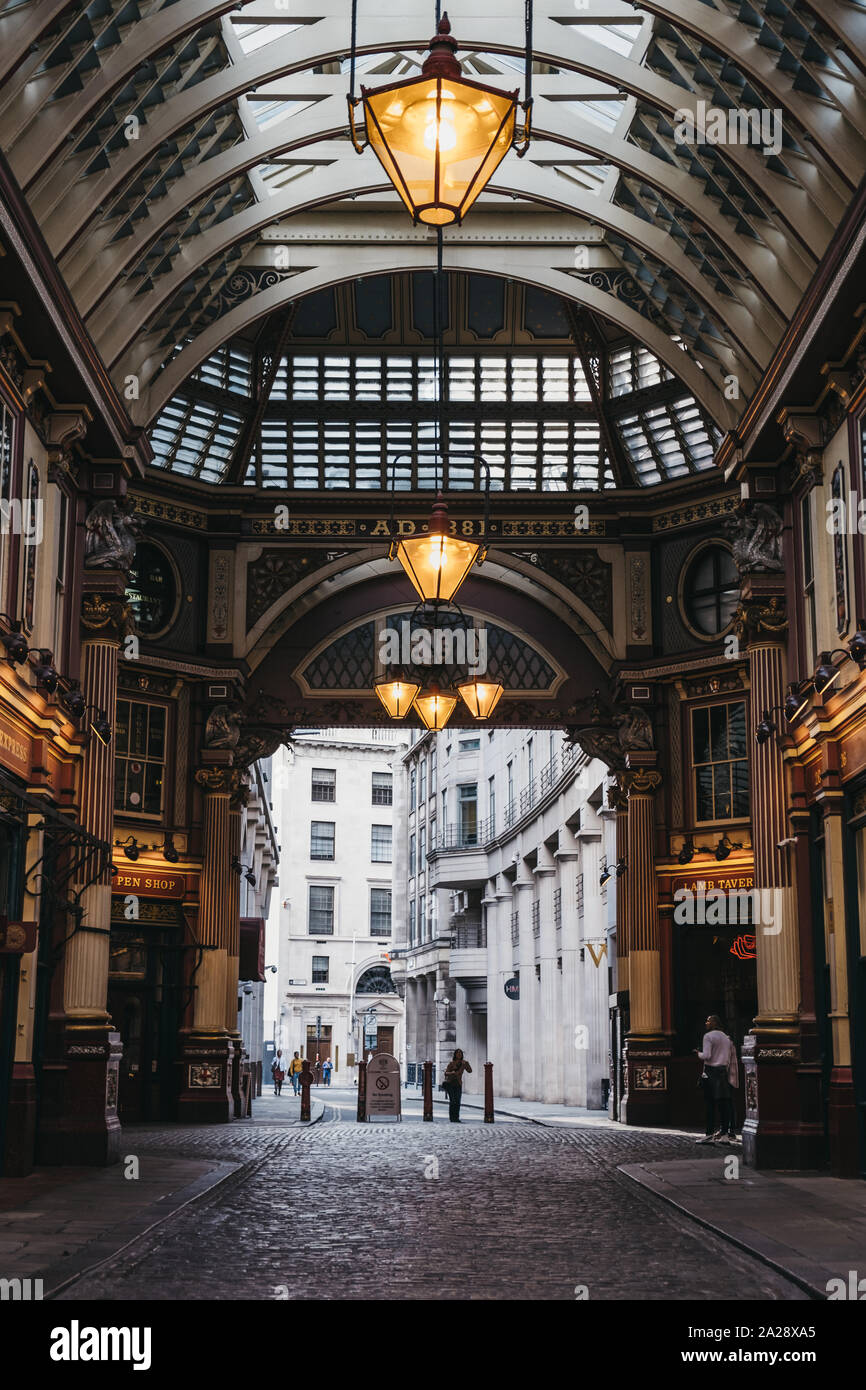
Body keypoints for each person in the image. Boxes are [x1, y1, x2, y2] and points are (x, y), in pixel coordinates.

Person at [694, 1015, 738, 1144]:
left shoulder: (708, 1037)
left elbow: (707, 1055)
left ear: (713, 1023)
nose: (706, 1022)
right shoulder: (726, 1037)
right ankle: (724, 1135)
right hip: (723, 1072)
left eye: (708, 1020)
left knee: (710, 1105)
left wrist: (698, 1053)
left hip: (710, 1073)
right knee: (723, 1105)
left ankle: (709, 1135)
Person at [442, 1048, 472, 1123]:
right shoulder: (451, 1063)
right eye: (457, 1053)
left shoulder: (463, 1063)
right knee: (453, 1101)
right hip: (450, 1084)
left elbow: (470, 1071)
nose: (459, 1054)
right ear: (455, 1055)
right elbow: (446, 1073)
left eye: (460, 1053)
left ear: (462, 1055)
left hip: (458, 1084)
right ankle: (452, 1118)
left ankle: (456, 1118)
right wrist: (451, 1073)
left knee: (458, 1102)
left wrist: (466, 1064)